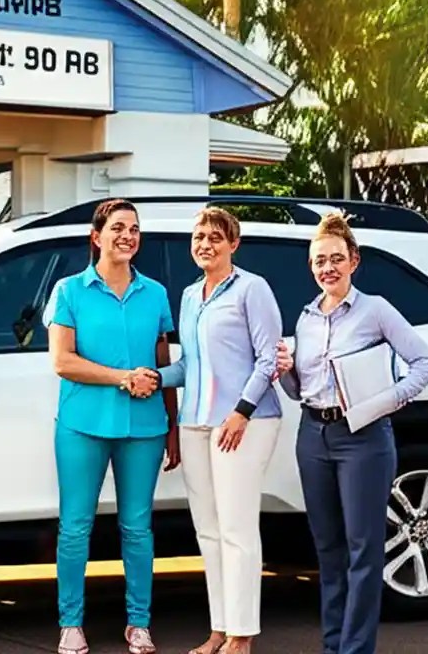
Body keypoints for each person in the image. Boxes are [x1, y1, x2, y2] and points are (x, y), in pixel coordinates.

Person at [277, 211, 428, 654]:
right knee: (327, 550)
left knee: (364, 550)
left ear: (354, 260)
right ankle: (334, 645)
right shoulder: (306, 318)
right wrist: (284, 370)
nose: (327, 268)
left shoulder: (375, 310)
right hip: (313, 436)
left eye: (335, 258)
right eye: (319, 261)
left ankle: (355, 648)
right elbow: (300, 391)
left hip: (363, 440)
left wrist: (385, 401)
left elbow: (424, 363)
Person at [44, 198, 180, 654]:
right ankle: (70, 623)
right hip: (82, 425)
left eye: (134, 229)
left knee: (138, 528)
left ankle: (139, 623)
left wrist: (173, 426)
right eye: (118, 227)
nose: (127, 236)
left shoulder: (155, 294)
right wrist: (122, 378)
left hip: (145, 428)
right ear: (96, 236)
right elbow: (62, 361)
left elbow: (163, 363)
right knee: (75, 526)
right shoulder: (69, 291)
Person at [149, 206, 288, 654]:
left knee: (237, 529)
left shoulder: (252, 289)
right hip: (195, 423)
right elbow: (190, 365)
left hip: (245, 423)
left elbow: (268, 359)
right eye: (199, 237)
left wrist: (241, 412)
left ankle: (242, 636)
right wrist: (154, 377)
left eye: (215, 237)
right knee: (208, 533)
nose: (205, 244)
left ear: (233, 244)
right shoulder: (191, 296)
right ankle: (219, 630)